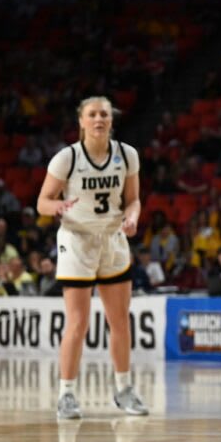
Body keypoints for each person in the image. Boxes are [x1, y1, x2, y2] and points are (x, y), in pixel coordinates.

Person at [36, 96, 148, 420]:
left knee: (120, 322)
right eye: (92, 114)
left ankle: (124, 389)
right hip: (76, 240)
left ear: (111, 120)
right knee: (78, 322)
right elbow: (42, 200)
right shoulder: (66, 158)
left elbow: (133, 200)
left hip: (112, 240)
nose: (99, 118)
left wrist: (132, 218)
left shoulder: (127, 155)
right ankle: (67, 394)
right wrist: (55, 207)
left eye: (104, 114)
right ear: (81, 121)